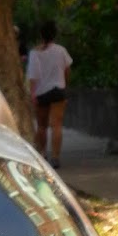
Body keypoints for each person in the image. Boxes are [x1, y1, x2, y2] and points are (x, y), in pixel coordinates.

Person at [26, 21, 73, 167]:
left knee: (41, 126)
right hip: (58, 90)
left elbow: (33, 76)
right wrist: (65, 84)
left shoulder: (34, 53)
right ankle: (56, 157)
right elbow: (67, 70)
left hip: (42, 92)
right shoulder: (61, 50)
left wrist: (32, 94)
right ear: (55, 34)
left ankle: (42, 154)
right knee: (57, 125)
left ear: (41, 35)